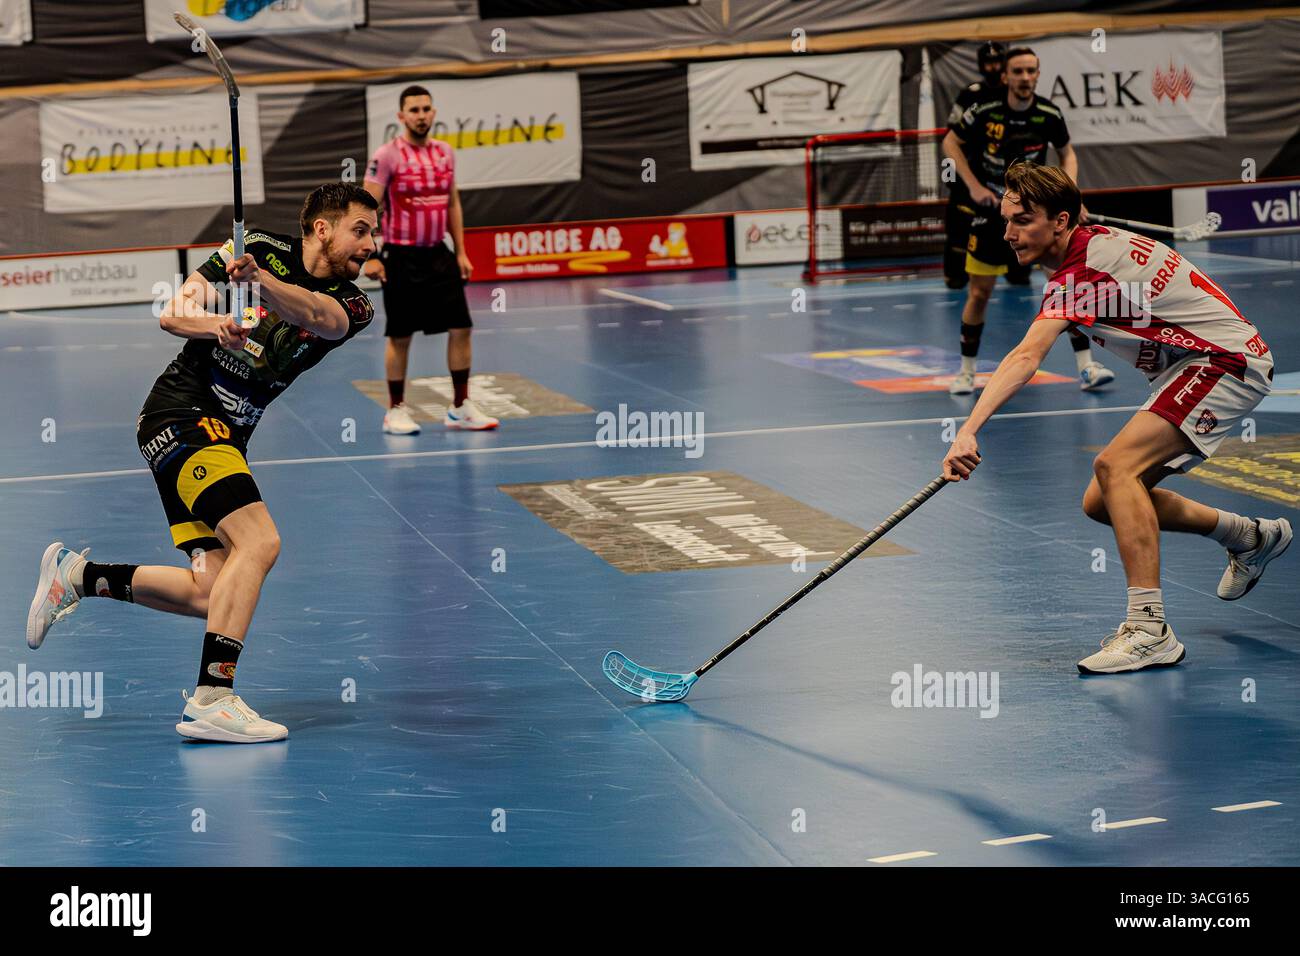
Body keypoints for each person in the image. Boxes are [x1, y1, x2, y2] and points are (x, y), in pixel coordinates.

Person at [26, 182, 379, 741]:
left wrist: (259, 283)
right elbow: (173, 312)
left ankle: (79, 576)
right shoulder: (254, 244)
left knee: (213, 592)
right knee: (259, 542)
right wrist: (216, 324)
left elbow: (320, 316)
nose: (369, 244)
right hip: (181, 415)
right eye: (360, 231)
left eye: (372, 233)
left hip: (224, 438)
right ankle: (213, 697)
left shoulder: (351, 300)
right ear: (322, 228)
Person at [941, 162, 1290, 674]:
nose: (1009, 233)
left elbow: (1024, 357)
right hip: (1203, 363)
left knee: (1115, 467)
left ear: (1061, 222)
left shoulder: (1083, 271)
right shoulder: (1087, 244)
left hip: (1225, 362)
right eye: (1007, 220)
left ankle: (1150, 630)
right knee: (1103, 500)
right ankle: (1249, 536)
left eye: (1023, 221)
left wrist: (967, 431)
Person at [942, 46, 1113, 395]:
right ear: (1006, 76)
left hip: (1037, 217)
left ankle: (1087, 367)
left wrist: (1072, 195)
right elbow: (950, 142)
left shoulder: (1049, 114)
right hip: (991, 213)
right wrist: (973, 187)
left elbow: (1067, 153)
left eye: (1030, 71)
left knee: (1066, 288)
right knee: (979, 293)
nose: (1024, 78)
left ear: (1037, 74)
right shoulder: (985, 110)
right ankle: (966, 372)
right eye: (1017, 72)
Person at [364, 85, 498, 435]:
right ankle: (395, 410)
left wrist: (462, 252)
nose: (421, 115)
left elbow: (452, 202)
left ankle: (459, 407)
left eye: (426, 109)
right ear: (401, 116)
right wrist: (371, 257)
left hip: (439, 253)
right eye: (414, 110)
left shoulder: (445, 153)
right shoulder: (387, 155)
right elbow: (365, 208)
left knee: (462, 327)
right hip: (400, 255)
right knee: (401, 336)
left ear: (433, 112)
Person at [944, 41, 1034, 289]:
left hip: (1007, 170)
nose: (993, 67)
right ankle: (955, 273)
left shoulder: (1015, 92)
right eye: (988, 63)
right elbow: (950, 137)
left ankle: (1018, 269)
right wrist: (951, 175)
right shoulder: (971, 94)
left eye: (998, 62)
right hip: (971, 169)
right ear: (981, 66)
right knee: (959, 221)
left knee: (1015, 220)